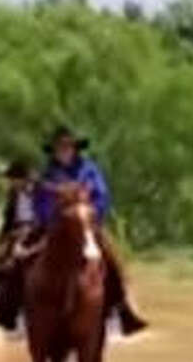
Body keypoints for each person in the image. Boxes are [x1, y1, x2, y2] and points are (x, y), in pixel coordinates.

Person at [32, 127, 147, 336]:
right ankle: (9, 307)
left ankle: (124, 308)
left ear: (75, 149)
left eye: (68, 146)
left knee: (111, 256)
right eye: (60, 147)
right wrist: (52, 219)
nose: (64, 151)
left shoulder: (89, 170)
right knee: (22, 259)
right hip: (55, 227)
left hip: (87, 224)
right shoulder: (47, 174)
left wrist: (91, 216)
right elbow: (39, 202)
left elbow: (102, 196)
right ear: (54, 151)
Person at [0, 160, 41, 330]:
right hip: (16, 232)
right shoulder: (13, 194)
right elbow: (8, 219)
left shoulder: (40, 191)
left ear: (22, 179)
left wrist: (31, 228)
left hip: (40, 231)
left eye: (12, 179)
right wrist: (1, 239)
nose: (10, 183)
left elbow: (47, 215)